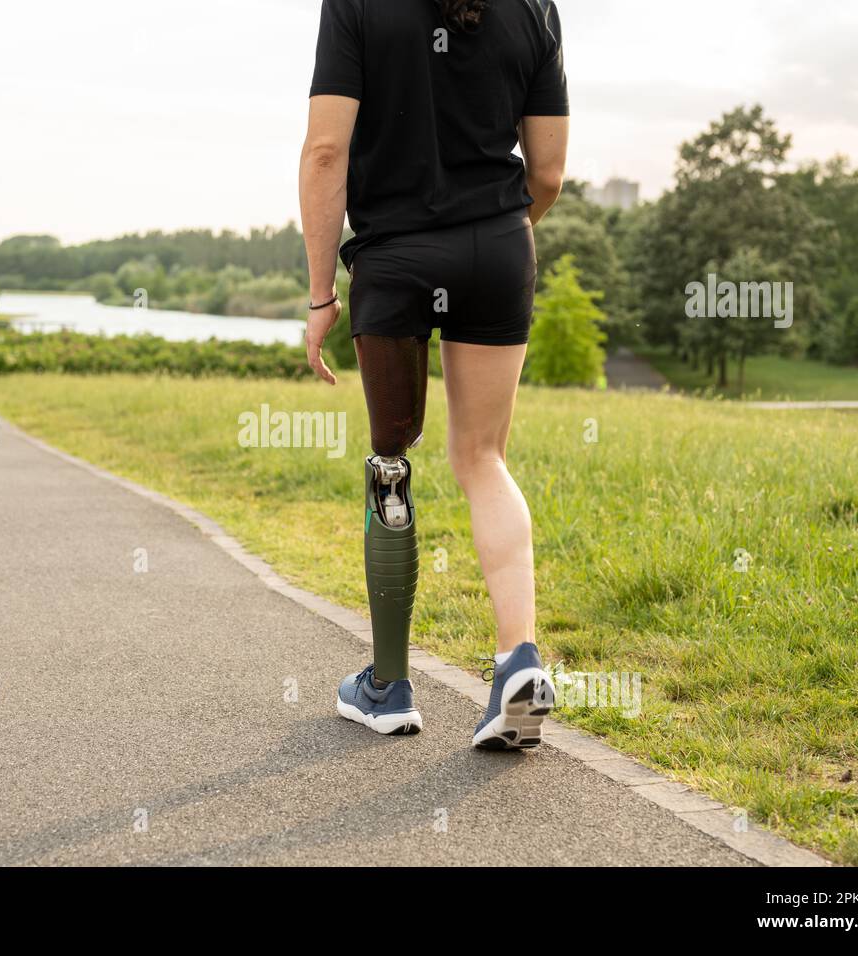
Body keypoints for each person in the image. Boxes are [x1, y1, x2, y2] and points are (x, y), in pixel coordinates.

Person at [298, 0, 570, 748]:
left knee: (393, 458)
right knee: (484, 458)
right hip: (497, 245)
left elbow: (326, 151)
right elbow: (546, 170)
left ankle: (387, 688)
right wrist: (495, 240)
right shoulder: (534, 5)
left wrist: (321, 294)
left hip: (395, 257)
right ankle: (518, 660)